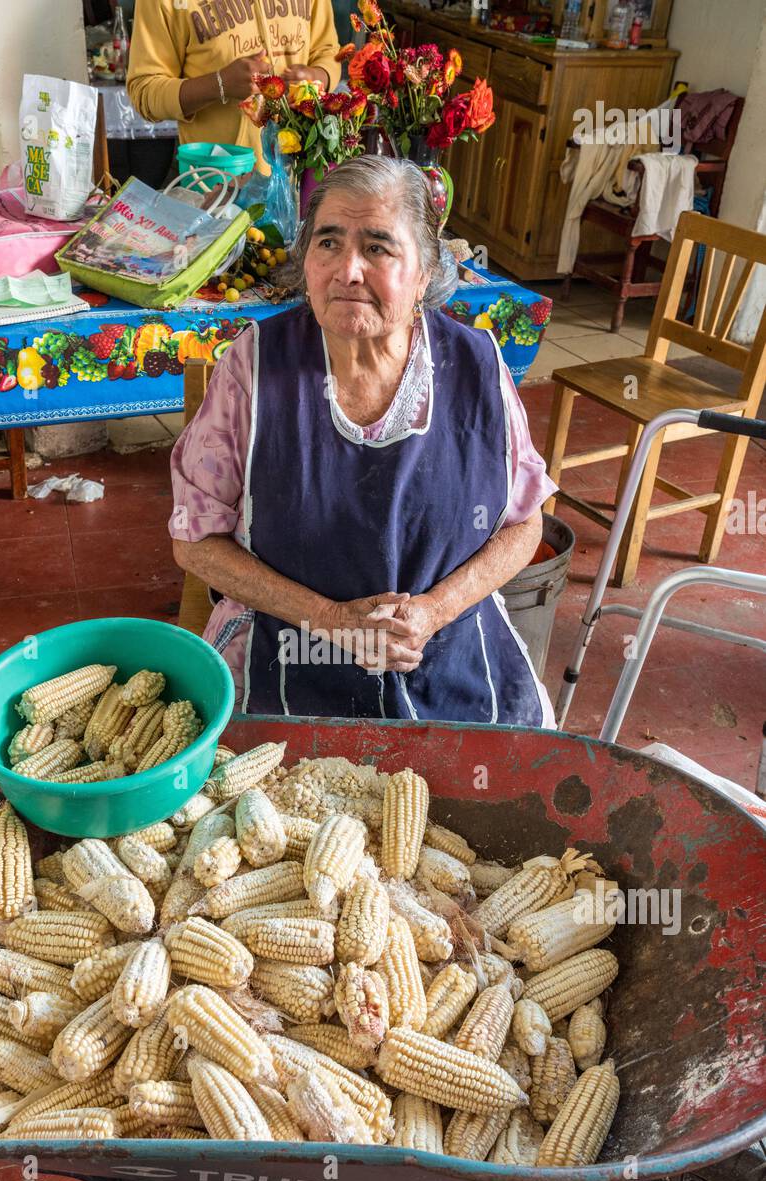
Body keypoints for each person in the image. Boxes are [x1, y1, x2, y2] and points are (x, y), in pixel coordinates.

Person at [169, 156, 558, 726]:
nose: (348, 270)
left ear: (424, 272)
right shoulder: (253, 368)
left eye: (378, 247)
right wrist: (331, 621)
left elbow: (525, 523)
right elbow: (195, 540)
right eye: (328, 242)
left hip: (450, 650)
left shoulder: (476, 366)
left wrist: (433, 611)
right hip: (289, 647)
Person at [127, 0, 341, 174]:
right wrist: (220, 83)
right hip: (220, 182)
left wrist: (316, 75)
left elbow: (327, 51)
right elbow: (145, 91)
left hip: (300, 172)